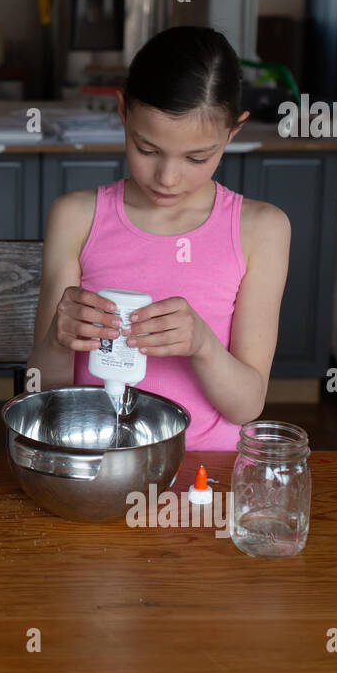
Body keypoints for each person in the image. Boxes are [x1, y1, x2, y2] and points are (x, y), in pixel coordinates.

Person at [28, 26, 291, 449]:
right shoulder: (76, 217)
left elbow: (247, 406)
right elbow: (41, 391)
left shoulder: (260, 229)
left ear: (233, 132)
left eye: (196, 158)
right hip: (95, 459)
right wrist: (60, 338)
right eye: (146, 149)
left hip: (208, 473)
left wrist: (202, 344)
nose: (167, 178)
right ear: (122, 112)